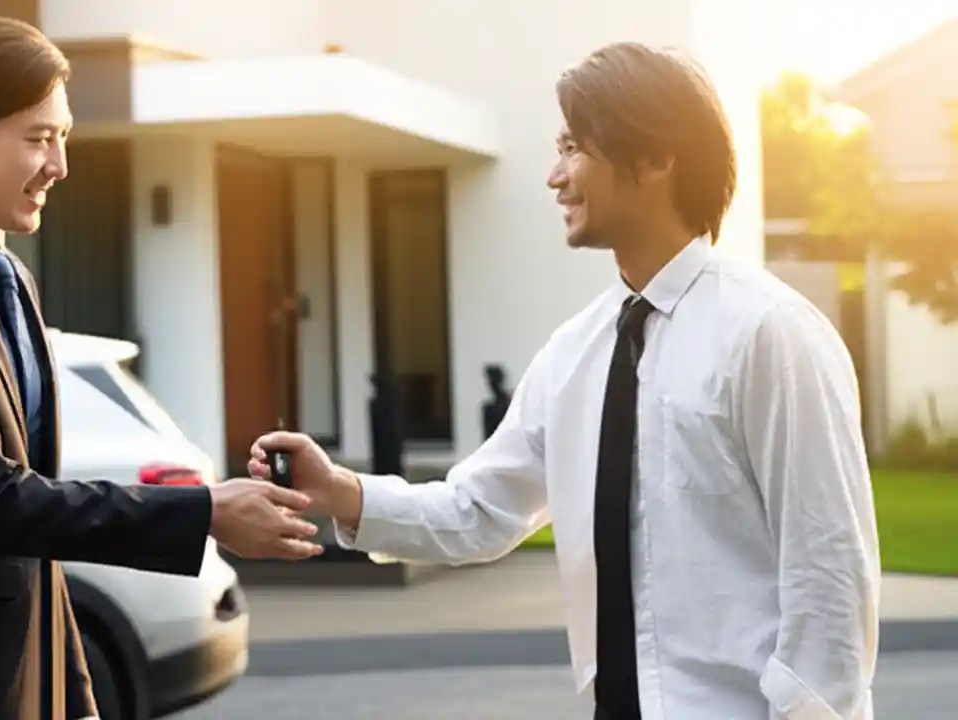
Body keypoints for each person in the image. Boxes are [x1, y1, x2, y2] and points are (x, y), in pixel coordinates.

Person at [250, 42, 879, 720]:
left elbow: (831, 577)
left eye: (575, 147)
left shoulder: (770, 333)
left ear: (658, 156)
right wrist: (339, 490)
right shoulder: (575, 352)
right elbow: (480, 513)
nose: (555, 175)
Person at [0, 18, 321, 720]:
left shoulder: (9, 278)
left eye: (63, 138)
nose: (60, 166)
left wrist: (73, 697)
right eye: (38, 139)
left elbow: (37, 539)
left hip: (32, 685)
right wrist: (206, 511)